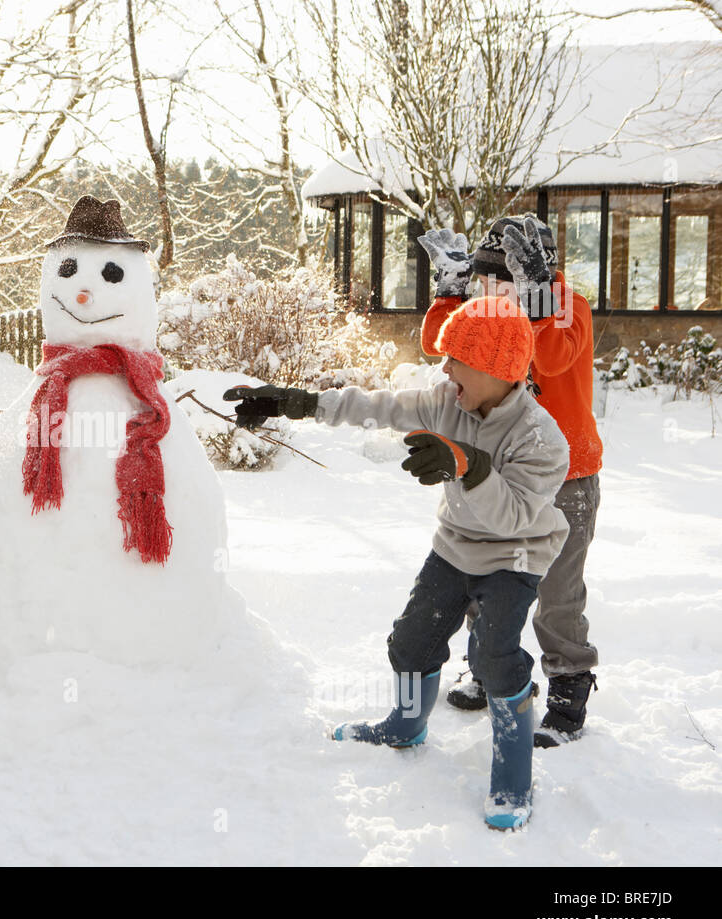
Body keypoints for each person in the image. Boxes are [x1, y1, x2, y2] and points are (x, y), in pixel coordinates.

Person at [225, 295, 570, 830]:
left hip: (516, 555)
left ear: (496, 368)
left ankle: (513, 775)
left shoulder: (541, 437)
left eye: (456, 357)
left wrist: (466, 463)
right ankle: (405, 725)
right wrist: (298, 402)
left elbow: (515, 517)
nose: (445, 367)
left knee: (496, 656)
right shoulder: (445, 402)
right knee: (411, 641)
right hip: (455, 547)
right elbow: (377, 405)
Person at [419, 216, 602, 747]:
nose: (494, 292)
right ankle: (486, 667)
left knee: (558, 591)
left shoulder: (570, 307)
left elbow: (552, 355)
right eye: (485, 281)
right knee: (485, 573)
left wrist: (540, 298)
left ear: (538, 271)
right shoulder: (491, 312)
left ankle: (569, 686)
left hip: (567, 478)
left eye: (505, 281)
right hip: (497, 473)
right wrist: (451, 294)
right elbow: (441, 346)